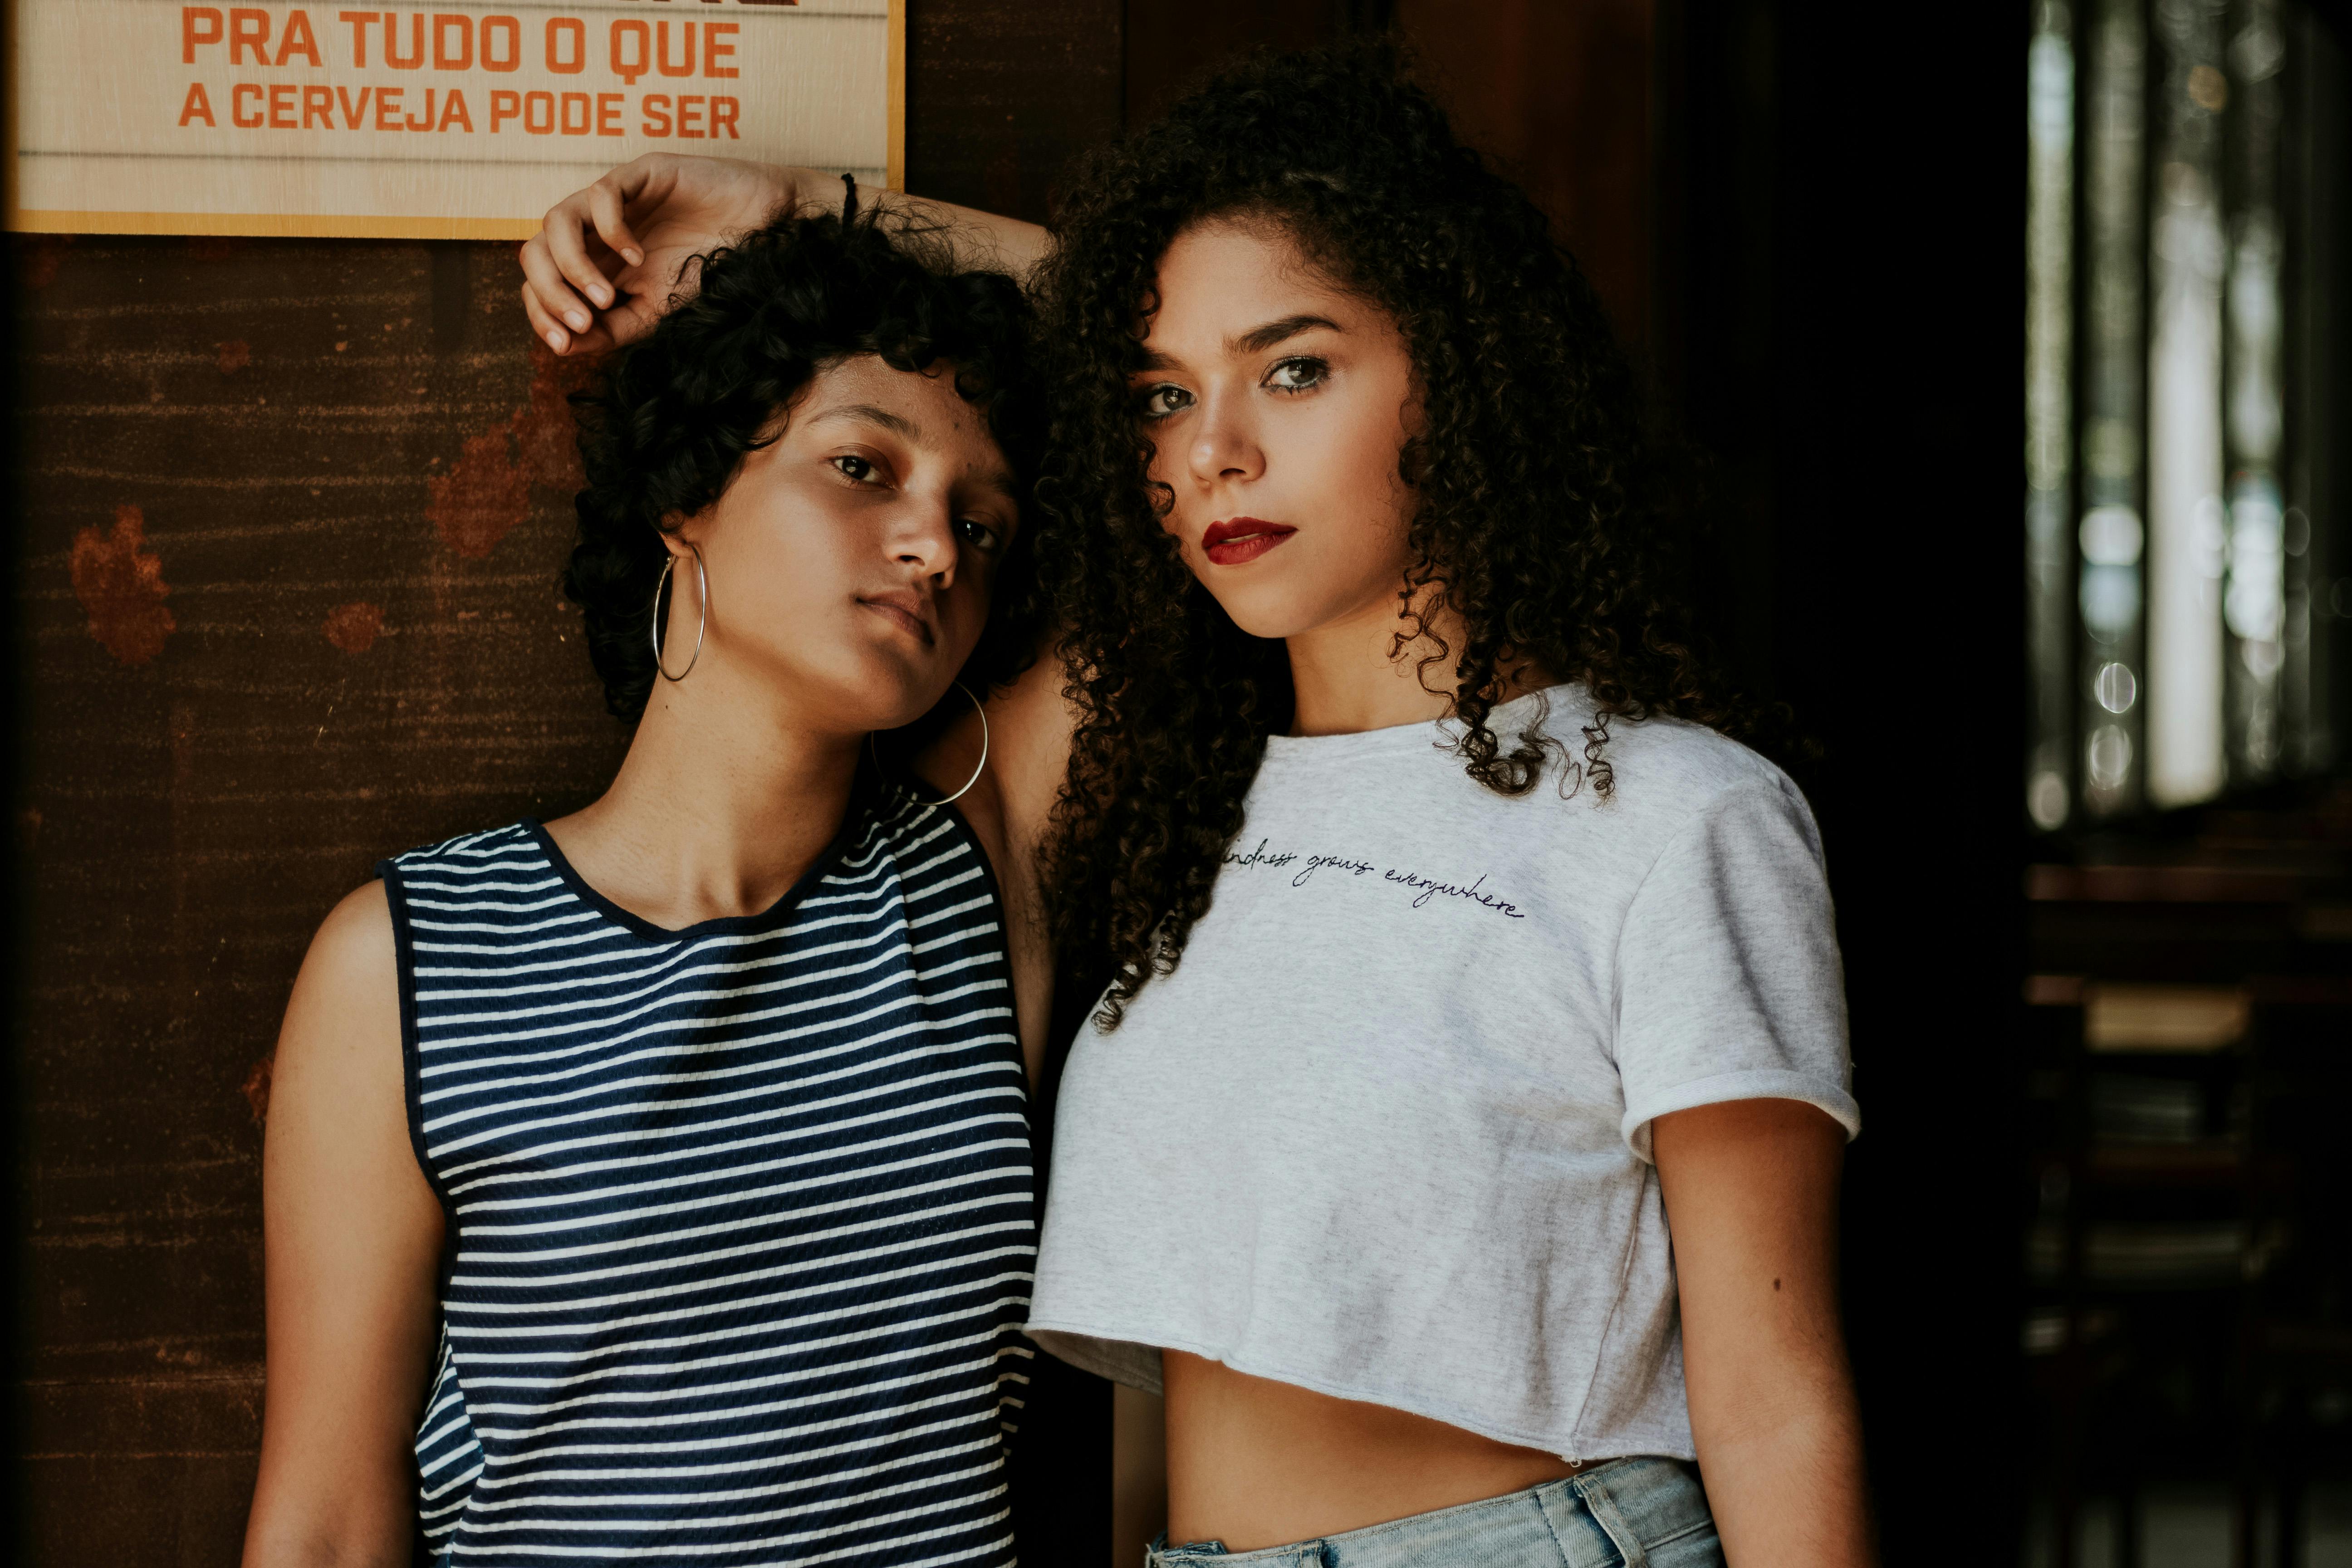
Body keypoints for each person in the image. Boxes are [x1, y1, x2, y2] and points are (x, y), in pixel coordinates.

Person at [520, 43, 1873, 1568]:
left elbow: (1777, 1399)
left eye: (1295, 369)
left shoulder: (1675, 813)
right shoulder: (1173, 797)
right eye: (1165, 398)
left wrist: (818, 204)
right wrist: (811, 236)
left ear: (1464, 359)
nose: (1215, 450)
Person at [243, 206, 1075, 1566]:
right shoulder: (410, 962)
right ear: (687, 495)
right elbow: (330, 1522)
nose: (933, 544)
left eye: (980, 527)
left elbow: (1147, 331)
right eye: (865, 465)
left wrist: (799, 201)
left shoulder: (977, 871)